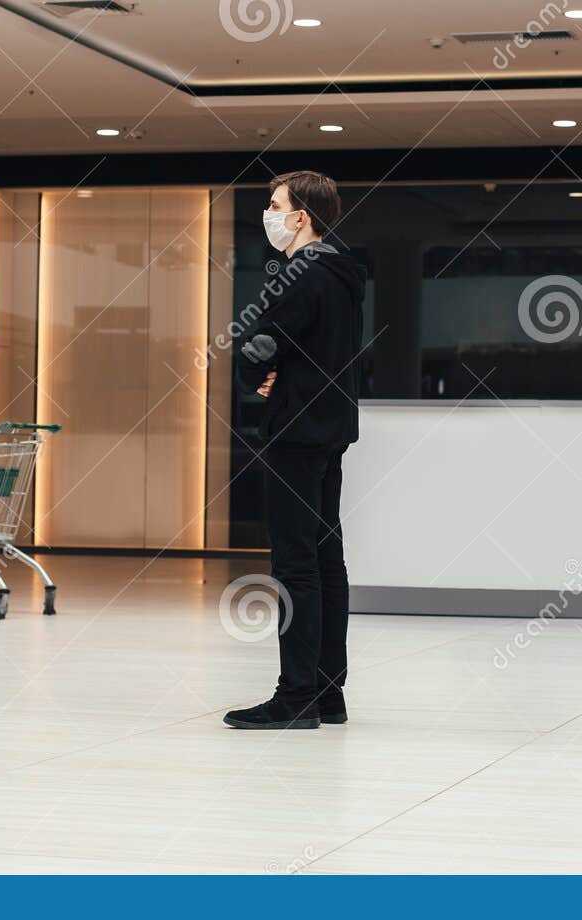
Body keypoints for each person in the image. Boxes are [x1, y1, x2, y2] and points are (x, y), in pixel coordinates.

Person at [224, 170, 366, 730]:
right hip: (330, 430)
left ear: (301, 217)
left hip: (294, 432)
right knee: (327, 558)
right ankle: (329, 692)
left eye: (276, 205)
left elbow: (258, 343)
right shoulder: (342, 273)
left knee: (293, 564)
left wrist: (256, 371)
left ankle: (296, 695)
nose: (271, 214)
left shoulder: (302, 272)